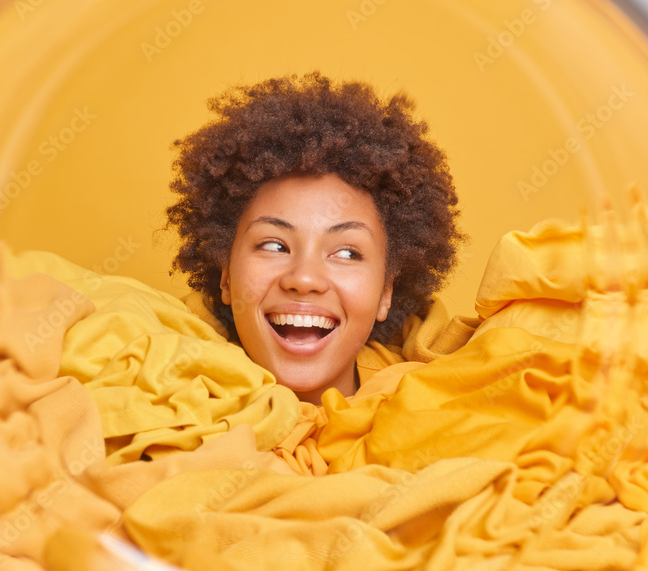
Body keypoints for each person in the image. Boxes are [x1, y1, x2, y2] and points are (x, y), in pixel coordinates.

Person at [166, 72, 464, 405]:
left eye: (347, 253)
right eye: (274, 246)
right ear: (226, 278)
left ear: (386, 293)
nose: (304, 279)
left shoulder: (452, 409)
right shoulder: (155, 394)